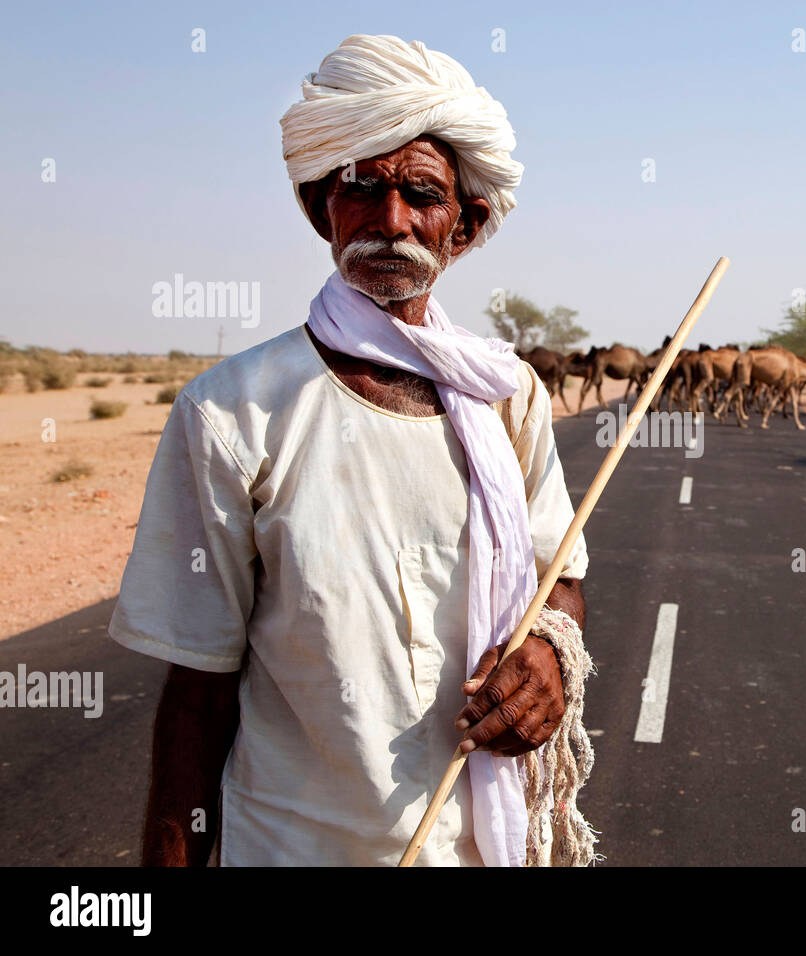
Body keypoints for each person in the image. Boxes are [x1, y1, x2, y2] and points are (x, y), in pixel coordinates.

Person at [109, 34, 596, 867]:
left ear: (465, 226)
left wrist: (553, 653)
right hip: (294, 847)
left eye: (421, 195)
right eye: (360, 187)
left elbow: (562, 579)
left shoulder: (506, 394)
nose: (390, 221)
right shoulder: (232, 411)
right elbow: (196, 690)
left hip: (480, 846)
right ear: (319, 207)